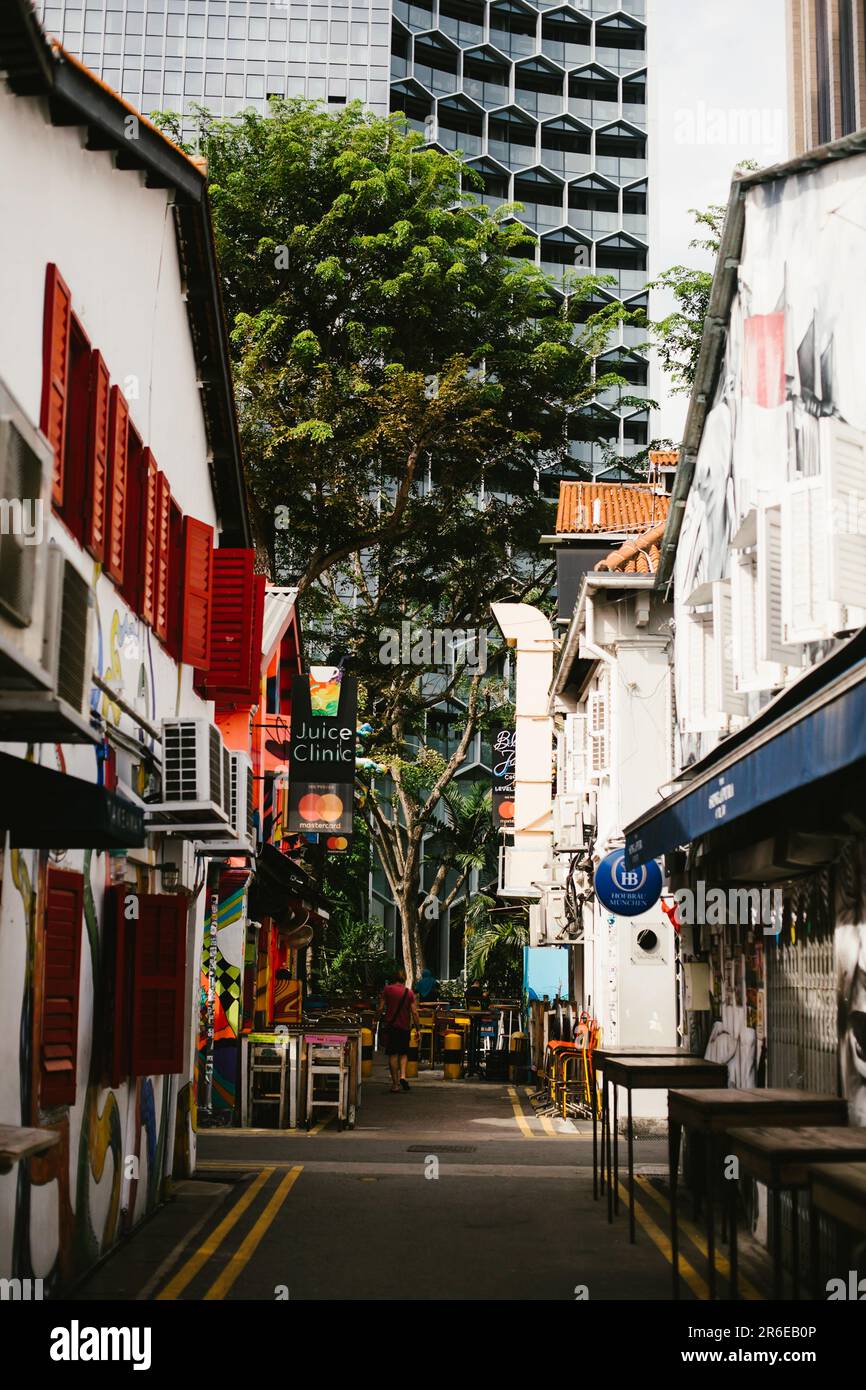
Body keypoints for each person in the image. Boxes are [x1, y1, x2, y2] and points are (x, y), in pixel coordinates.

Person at [378, 968, 420, 1093]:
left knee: (392, 1054)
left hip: (391, 1027)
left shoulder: (387, 990)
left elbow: (380, 1008)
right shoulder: (409, 993)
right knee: (403, 1053)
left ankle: (395, 1084)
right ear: (405, 978)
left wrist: (375, 1019)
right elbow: (414, 1012)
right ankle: (402, 1076)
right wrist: (418, 1028)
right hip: (405, 1027)